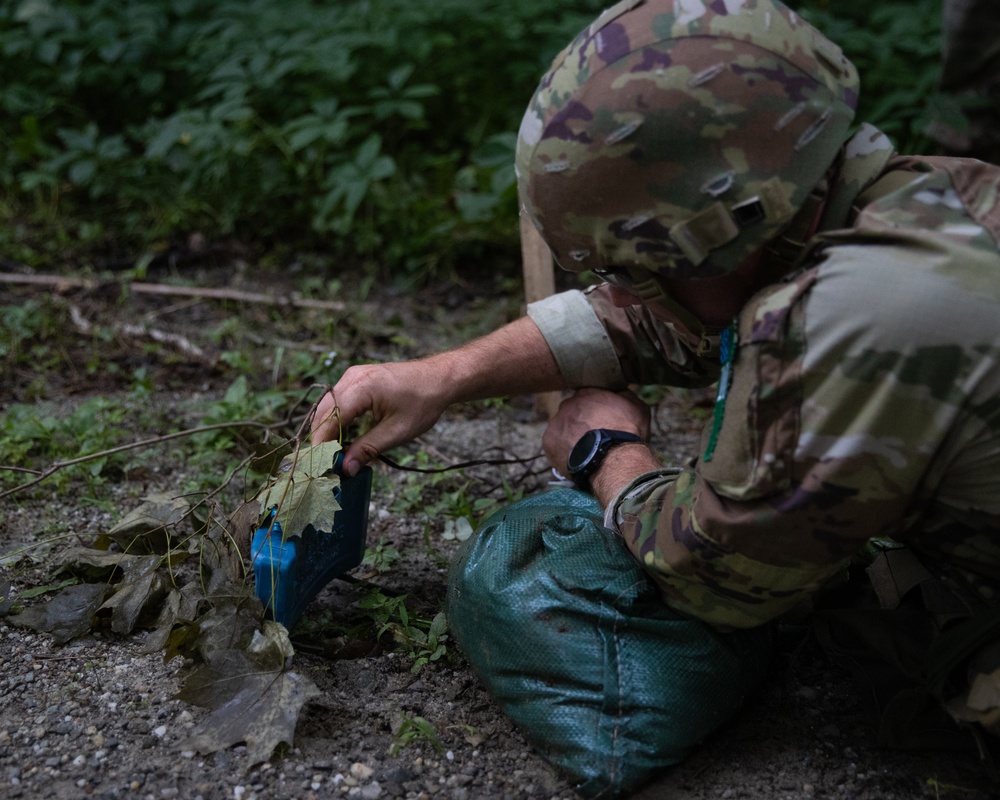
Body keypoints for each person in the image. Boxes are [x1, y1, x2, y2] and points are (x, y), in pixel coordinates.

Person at [313, 0, 1000, 794]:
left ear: (714, 232)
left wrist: (609, 456)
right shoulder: (936, 200)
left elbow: (717, 572)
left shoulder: (857, 316)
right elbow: (668, 319)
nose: (635, 286)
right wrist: (443, 375)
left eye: (640, 261)